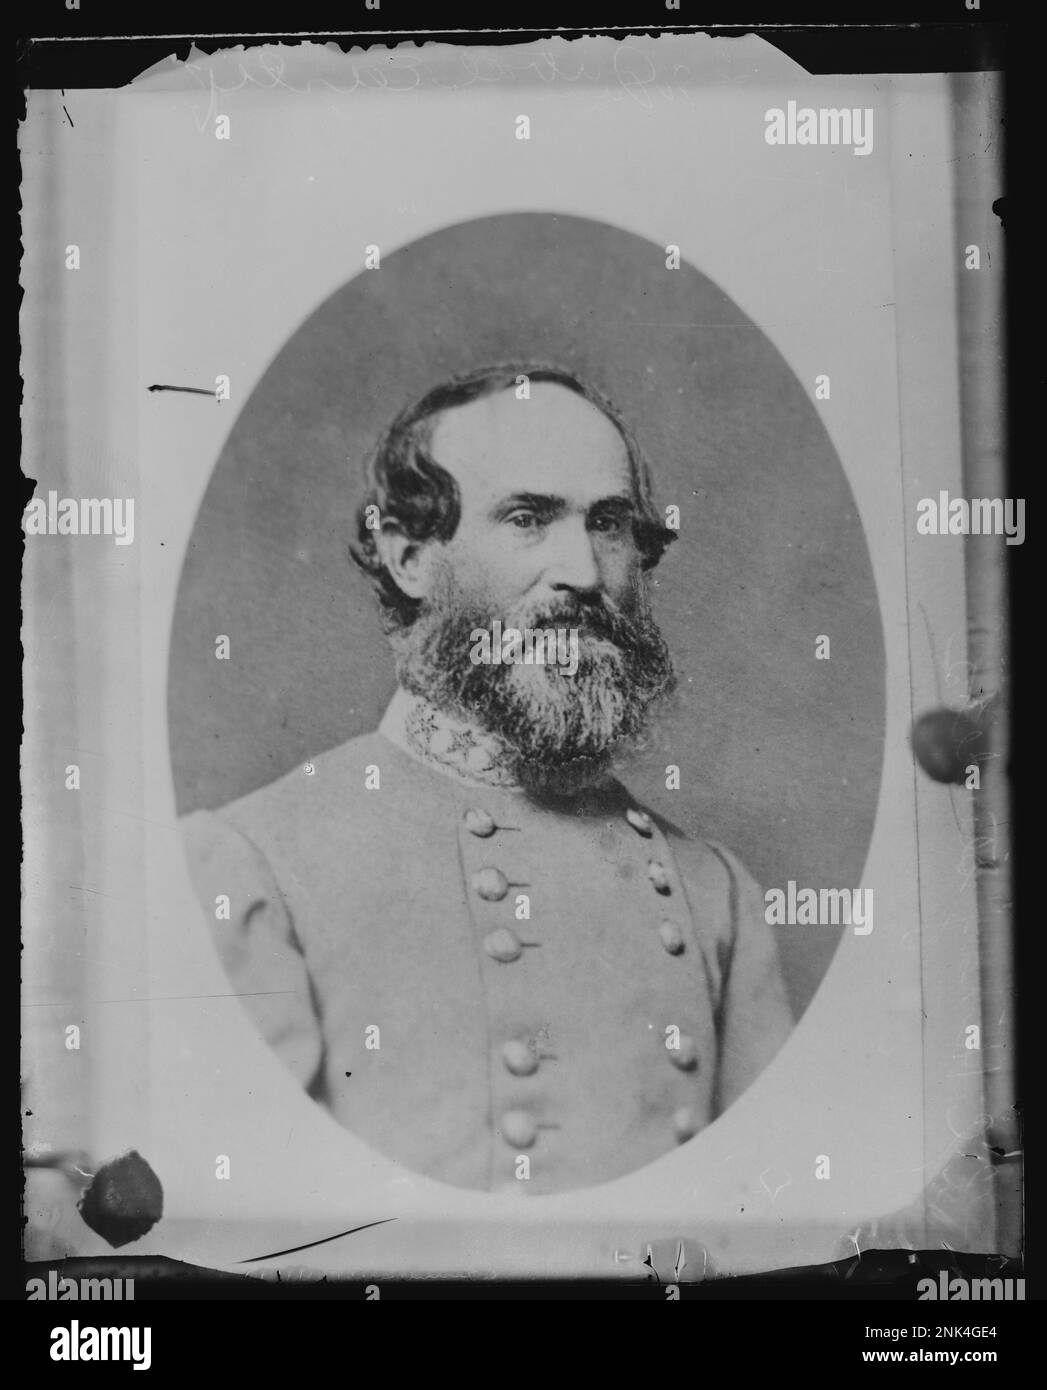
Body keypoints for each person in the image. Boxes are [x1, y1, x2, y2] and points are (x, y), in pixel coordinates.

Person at [181, 362, 794, 1194]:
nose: (581, 569)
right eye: (527, 518)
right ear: (408, 559)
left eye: (608, 524)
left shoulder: (713, 893)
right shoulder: (252, 864)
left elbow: (771, 1222)